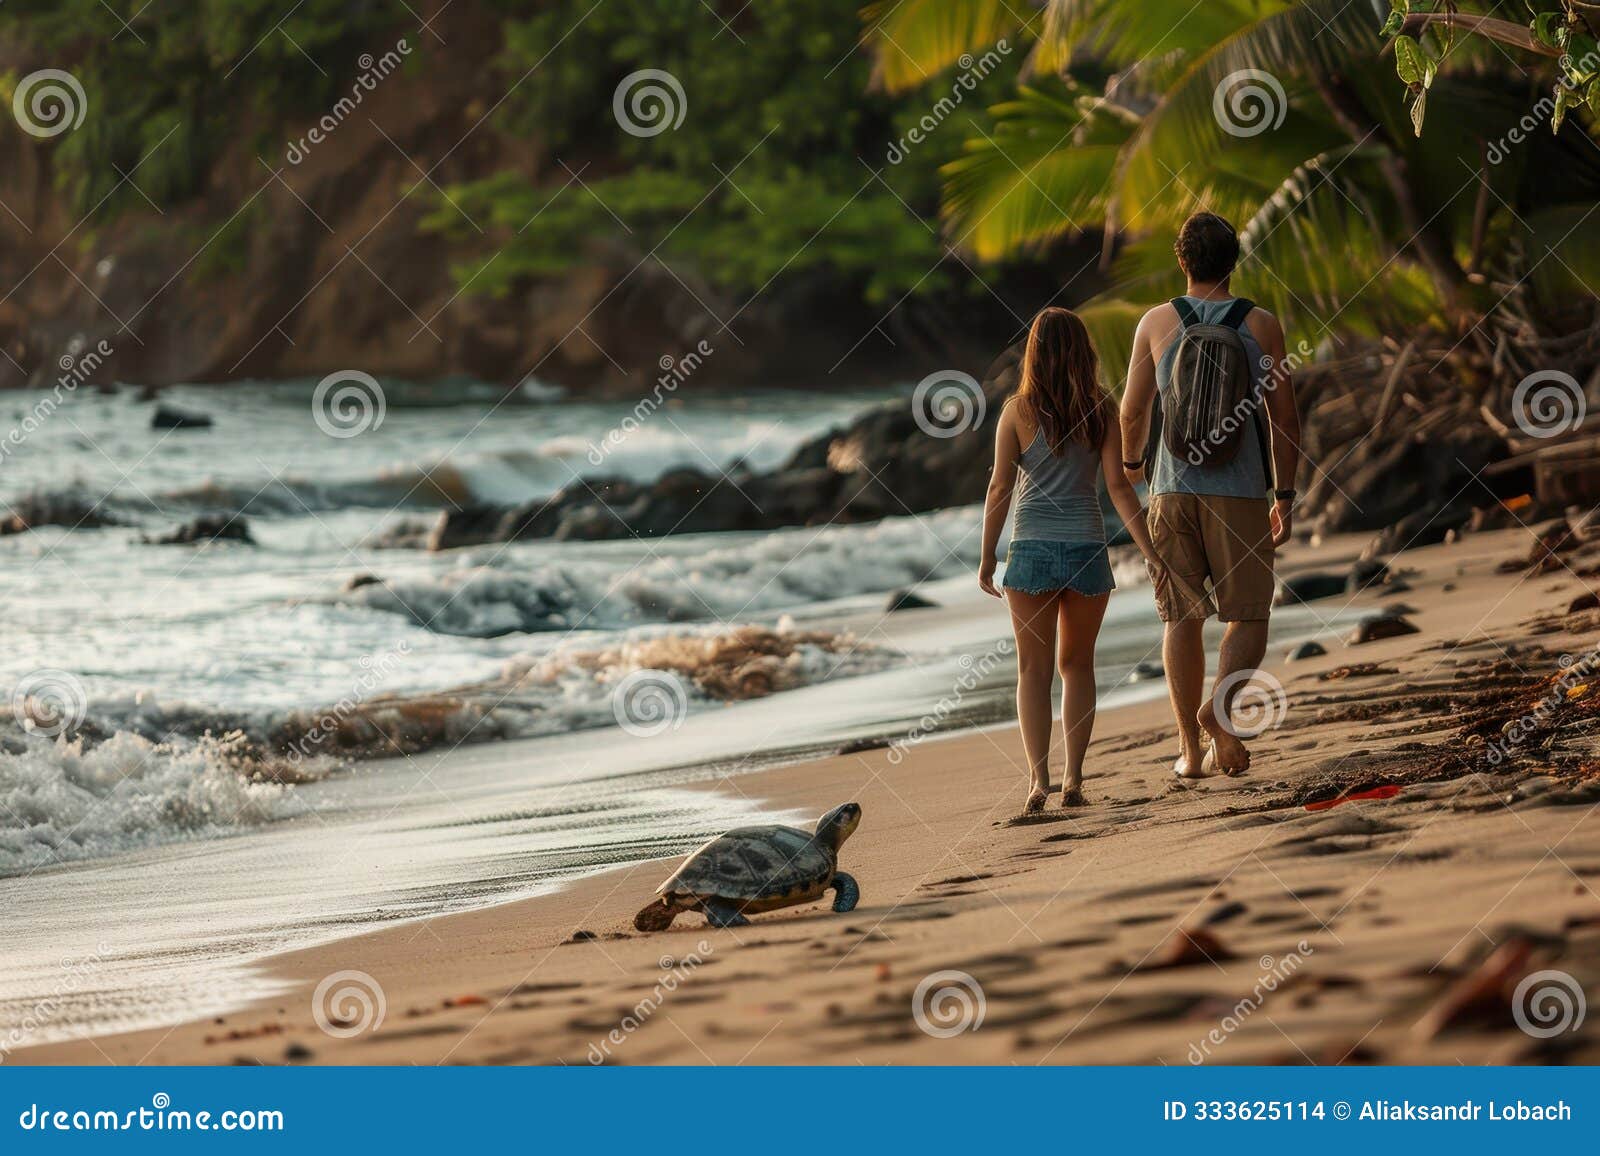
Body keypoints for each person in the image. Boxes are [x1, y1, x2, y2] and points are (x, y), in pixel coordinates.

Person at [1118, 211, 1301, 778]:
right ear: (1234, 260)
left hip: (1172, 490)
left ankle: (1189, 752)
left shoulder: (1155, 322)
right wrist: (1285, 494)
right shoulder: (1261, 325)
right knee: (1248, 615)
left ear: (1182, 261)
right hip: (1240, 492)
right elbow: (1283, 418)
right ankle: (1218, 712)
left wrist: (1133, 467)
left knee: (1180, 618)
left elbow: (1133, 409)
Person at [979, 307, 1163, 813]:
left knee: (1032, 672)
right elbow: (1120, 489)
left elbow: (999, 487)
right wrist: (1150, 554)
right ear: (1084, 351)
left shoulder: (1016, 412)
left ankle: (1037, 781)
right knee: (1078, 667)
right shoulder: (1101, 409)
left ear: (1033, 354)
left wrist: (986, 557)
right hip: (1087, 551)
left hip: (1032, 552)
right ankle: (1073, 778)